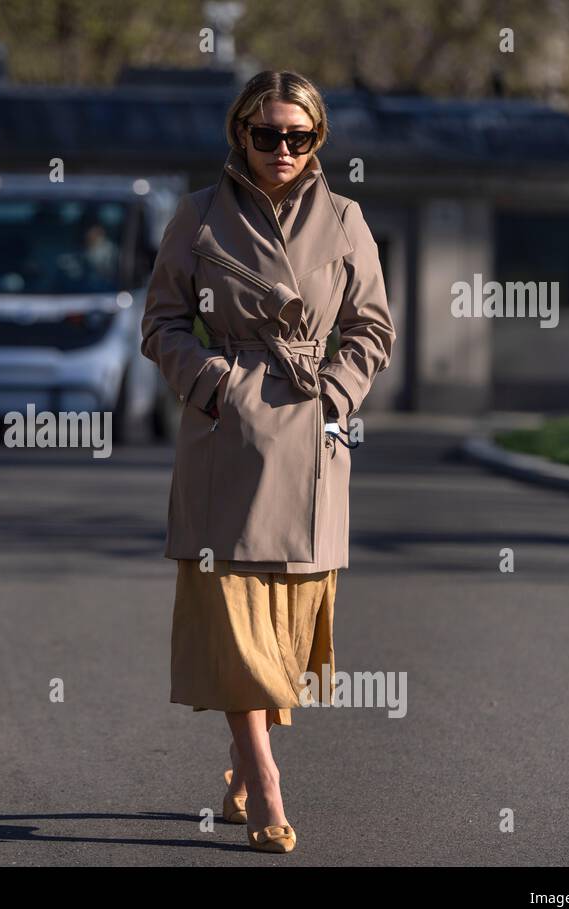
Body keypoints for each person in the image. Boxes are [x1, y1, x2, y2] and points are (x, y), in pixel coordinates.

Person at [140, 69, 396, 853]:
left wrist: (333, 401)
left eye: (298, 136)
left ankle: (241, 764)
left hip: (313, 439)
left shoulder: (347, 220)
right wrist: (216, 384)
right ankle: (267, 783)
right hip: (228, 439)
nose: (281, 148)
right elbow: (162, 323)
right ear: (239, 134)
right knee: (234, 619)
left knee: (287, 626)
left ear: (316, 140)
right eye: (265, 134)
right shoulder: (198, 215)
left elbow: (372, 329)